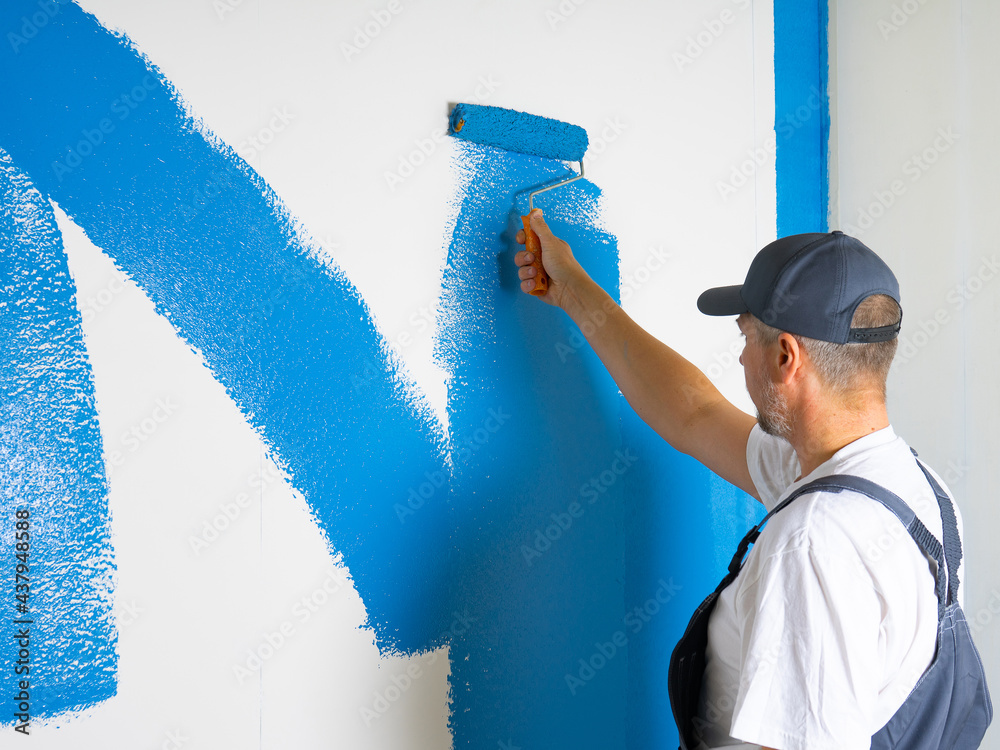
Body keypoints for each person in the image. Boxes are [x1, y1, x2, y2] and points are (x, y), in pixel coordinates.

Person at [513, 210, 974, 749]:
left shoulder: (814, 539)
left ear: (785, 356)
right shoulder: (910, 489)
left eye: (746, 336)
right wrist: (574, 294)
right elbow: (697, 415)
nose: (738, 356)